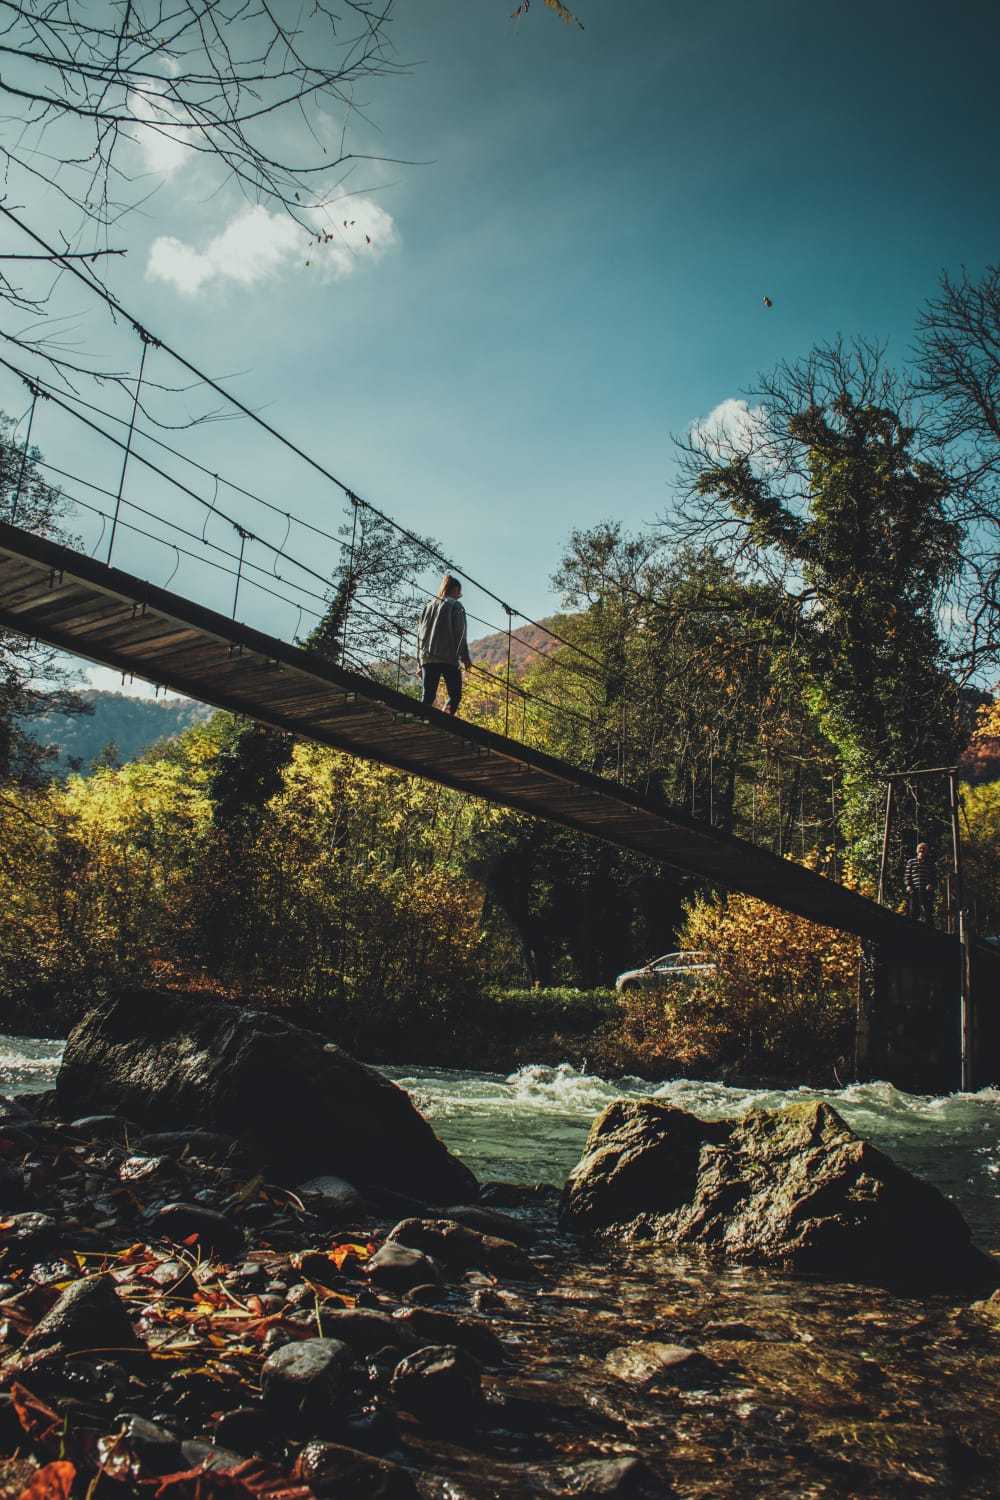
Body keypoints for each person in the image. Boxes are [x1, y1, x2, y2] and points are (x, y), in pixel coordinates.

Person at [417, 572, 472, 716]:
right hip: (448, 657)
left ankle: (421, 720)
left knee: (428, 696)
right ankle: (444, 720)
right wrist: (464, 657)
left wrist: (419, 663)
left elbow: (419, 635)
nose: (459, 595)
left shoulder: (428, 606)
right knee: (455, 696)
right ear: (454, 590)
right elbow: (460, 633)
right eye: (459, 592)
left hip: (427, 657)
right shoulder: (456, 606)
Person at [904, 841, 937, 923]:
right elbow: (907, 876)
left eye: (924, 849)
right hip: (914, 890)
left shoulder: (930, 863)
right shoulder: (911, 862)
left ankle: (929, 930)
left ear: (926, 851)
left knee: (928, 912)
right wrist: (908, 886)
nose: (921, 850)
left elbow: (934, 877)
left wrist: (931, 884)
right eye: (920, 849)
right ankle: (912, 929)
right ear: (917, 850)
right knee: (913, 911)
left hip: (926, 891)